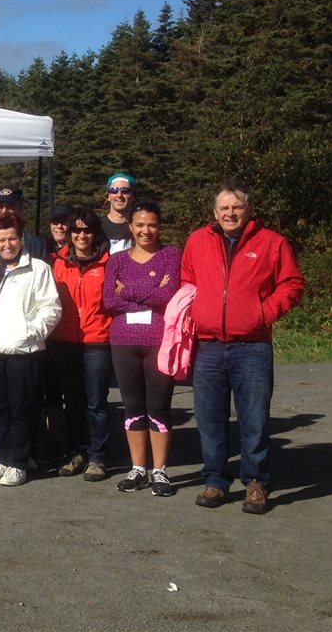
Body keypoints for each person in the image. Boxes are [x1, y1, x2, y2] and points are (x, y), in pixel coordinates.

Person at [181, 182, 304, 514]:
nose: (229, 213)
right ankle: (216, 480)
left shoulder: (272, 242)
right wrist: (194, 311)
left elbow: (292, 283)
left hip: (252, 347)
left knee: (254, 419)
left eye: (236, 207)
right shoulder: (197, 240)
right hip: (208, 346)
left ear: (249, 210)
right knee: (210, 419)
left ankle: (255, 482)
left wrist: (264, 312)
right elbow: (187, 281)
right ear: (214, 212)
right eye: (223, 207)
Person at [0, 212, 61, 487]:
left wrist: (29, 333)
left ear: (21, 239)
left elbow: (51, 309)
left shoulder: (38, 269)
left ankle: (19, 461)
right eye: (1, 239)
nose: (7, 244)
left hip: (23, 350)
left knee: (22, 408)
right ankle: (3, 457)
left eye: (13, 238)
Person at [102, 201, 181, 496]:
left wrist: (130, 291)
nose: (146, 230)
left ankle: (159, 471)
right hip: (123, 341)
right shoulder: (118, 260)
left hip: (159, 341)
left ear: (159, 226)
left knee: (158, 406)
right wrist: (151, 291)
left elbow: (169, 294)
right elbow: (110, 299)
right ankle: (138, 469)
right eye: (140, 225)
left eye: (151, 225)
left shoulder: (171, 255)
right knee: (133, 406)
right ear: (130, 227)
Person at [48, 209, 113, 483]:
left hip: (97, 340)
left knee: (96, 402)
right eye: (77, 230)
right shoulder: (57, 262)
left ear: (95, 233)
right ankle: (78, 451)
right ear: (70, 234)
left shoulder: (110, 263)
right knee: (72, 402)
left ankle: (98, 456)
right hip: (64, 341)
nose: (82, 235)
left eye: (87, 230)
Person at [0, 184, 47, 260]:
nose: (4, 210)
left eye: (10, 205)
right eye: (0, 205)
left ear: (21, 208)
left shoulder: (35, 244)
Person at [101, 173, 136, 253]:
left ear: (133, 196)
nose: (119, 195)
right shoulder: (96, 226)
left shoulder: (139, 227)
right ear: (108, 196)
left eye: (125, 191)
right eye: (114, 190)